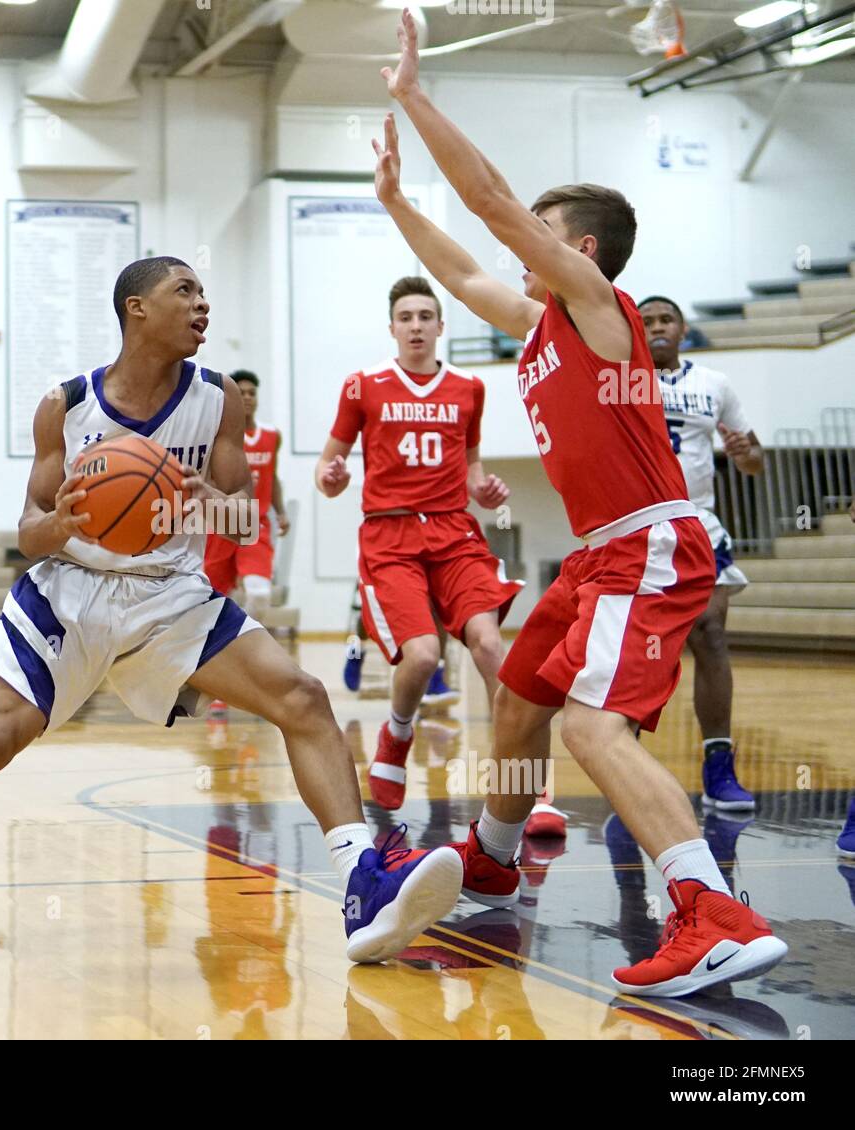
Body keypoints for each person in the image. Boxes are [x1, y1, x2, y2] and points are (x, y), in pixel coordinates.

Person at [0, 256, 463, 964]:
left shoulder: (218, 398)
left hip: (168, 591)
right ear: (137, 309)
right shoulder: (67, 405)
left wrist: (208, 501)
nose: (202, 304)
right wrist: (61, 522)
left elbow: (246, 520)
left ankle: (362, 884)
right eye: (185, 291)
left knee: (303, 698)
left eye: (204, 292)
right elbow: (28, 532)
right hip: (72, 589)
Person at [372, 9, 786, 996]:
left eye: (542, 234)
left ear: (582, 250)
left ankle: (711, 912)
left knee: (592, 730)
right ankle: (492, 859)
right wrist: (393, 203)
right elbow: (462, 267)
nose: (524, 245)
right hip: (597, 553)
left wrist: (414, 97)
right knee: (520, 696)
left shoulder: (597, 309)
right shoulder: (537, 326)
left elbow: (489, 204)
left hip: (651, 545)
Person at [314, 275, 525, 813]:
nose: (415, 326)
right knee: (425, 655)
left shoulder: (469, 388)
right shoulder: (363, 386)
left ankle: (521, 774)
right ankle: (398, 731)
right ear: (392, 328)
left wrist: (484, 488)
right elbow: (327, 468)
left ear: (440, 326)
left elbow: (472, 467)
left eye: (424, 317)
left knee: (489, 645)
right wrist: (332, 478)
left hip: (454, 531)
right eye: (405, 318)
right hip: (391, 534)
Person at [642, 295, 762, 811]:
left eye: (666, 319)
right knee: (643, 652)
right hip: (639, 529)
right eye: (646, 321)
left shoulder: (715, 383)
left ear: (683, 328)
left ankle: (719, 765)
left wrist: (745, 454)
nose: (657, 327)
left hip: (698, 524)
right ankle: (628, 767)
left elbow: (754, 459)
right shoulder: (616, 379)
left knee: (711, 634)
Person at [203, 370, 289, 620]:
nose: (248, 398)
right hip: (221, 525)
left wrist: (281, 512)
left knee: (259, 594)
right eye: (241, 393)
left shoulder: (272, 435)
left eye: (252, 393)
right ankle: (220, 638)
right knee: (212, 597)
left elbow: (272, 476)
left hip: (255, 525)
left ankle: (244, 636)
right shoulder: (215, 434)